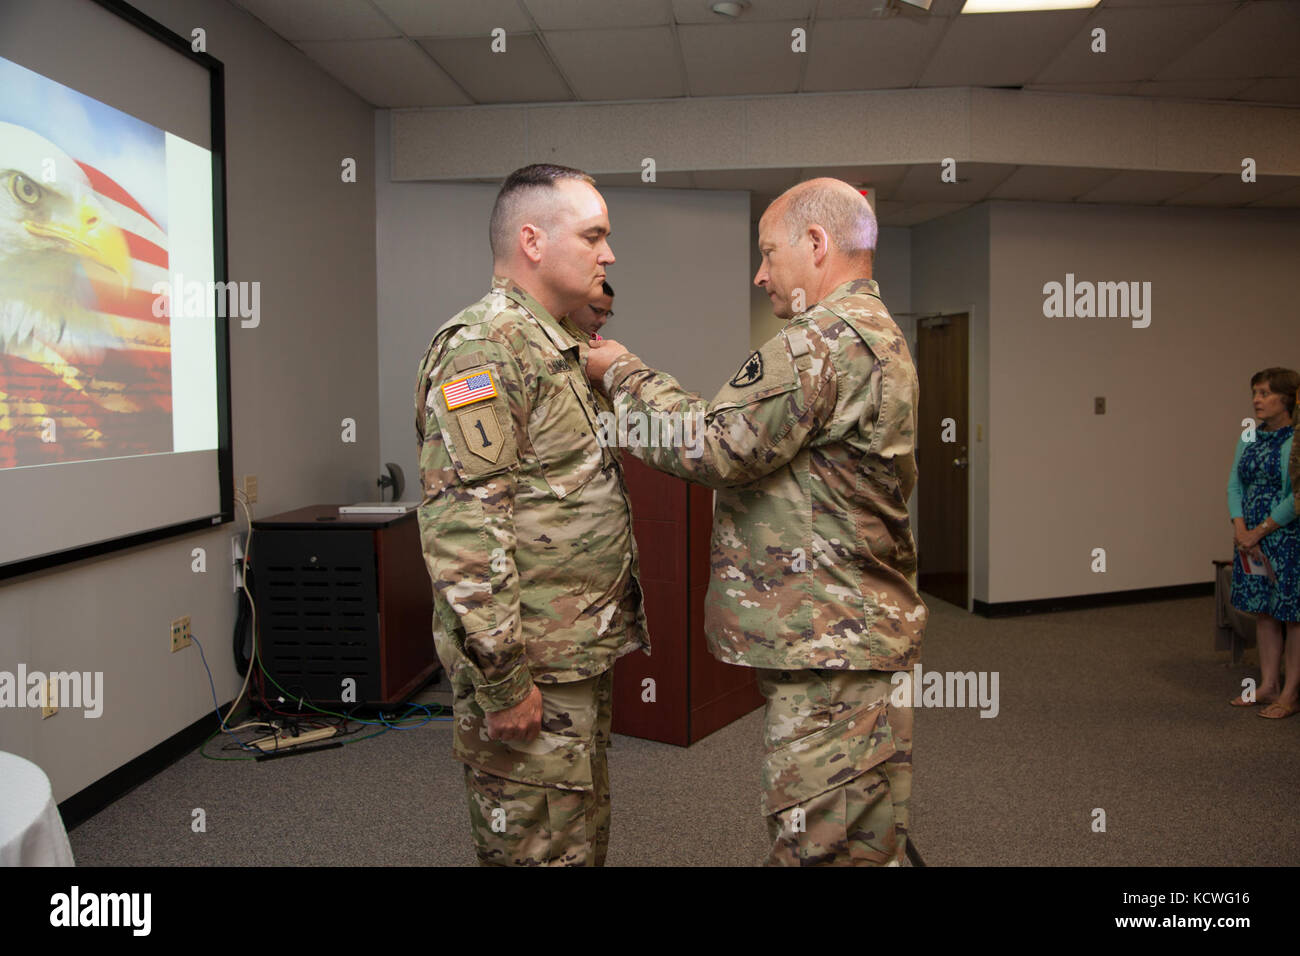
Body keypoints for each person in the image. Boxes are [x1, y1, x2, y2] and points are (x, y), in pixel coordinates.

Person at [584, 177, 926, 866]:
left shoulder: (821, 340)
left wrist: (622, 373)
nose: (760, 272)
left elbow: (715, 447)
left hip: (829, 651)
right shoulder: (877, 335)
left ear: (818, 244)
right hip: (851, 644)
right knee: (864, 839)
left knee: (820, 847)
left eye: (769, 252)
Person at [414, 164, 649, 865]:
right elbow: (463, 528)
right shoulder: (484, 348)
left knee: (575, 841)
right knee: (537, 851)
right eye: (594, 235)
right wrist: (504, 677)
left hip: (572, 655)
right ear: (533, 241)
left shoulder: (557, 346)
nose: (608, 254)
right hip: (530, 669)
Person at [1227, 367, 1299, 719]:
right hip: (1250, 540)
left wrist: (1261, 530)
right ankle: (1268, 684)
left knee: (1293, 615)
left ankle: (1289, 692)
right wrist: (1241, 528)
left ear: (1287, 399)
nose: (1257, 399)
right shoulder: (1249, 436)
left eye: (1266, 393)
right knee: (1265, 611)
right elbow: (1234, 486)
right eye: (1255, 392)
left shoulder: (1297, 439)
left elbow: (1297, 496)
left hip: (1285, 536)